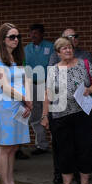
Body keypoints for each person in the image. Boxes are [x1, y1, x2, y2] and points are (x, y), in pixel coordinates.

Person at [43, 36, 92, 184]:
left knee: (85, 147)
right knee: (64, 149)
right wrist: (44, 115)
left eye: (70, 47)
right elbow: (47, 93)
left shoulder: (84, 64)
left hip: (84, 114)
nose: (68, 50)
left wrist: (89, 90)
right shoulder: (53, 70)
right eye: (64, 48)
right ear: (58, 52)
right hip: (60, 116)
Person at [0, 22, 33, 184]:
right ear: (3, 39)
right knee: (5, 147)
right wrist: (25, 99)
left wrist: (28, 103)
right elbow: (5, 86)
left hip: (20, 107)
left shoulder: (18, 58)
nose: (16, 40)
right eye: (12, 37)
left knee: (14, 147)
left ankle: (12, 183)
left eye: (18, 36)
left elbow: (25, 81)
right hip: (6, 107)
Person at [24, 24, 53, 154]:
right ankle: (41, 145)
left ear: (42, 34)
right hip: (32, 85)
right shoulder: (26, 49)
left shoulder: (50, 47)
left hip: (47, 84)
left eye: (36, 33)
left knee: (51, 113)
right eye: (31, 33)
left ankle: (57, 143)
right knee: (36, 115)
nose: (33, 35)